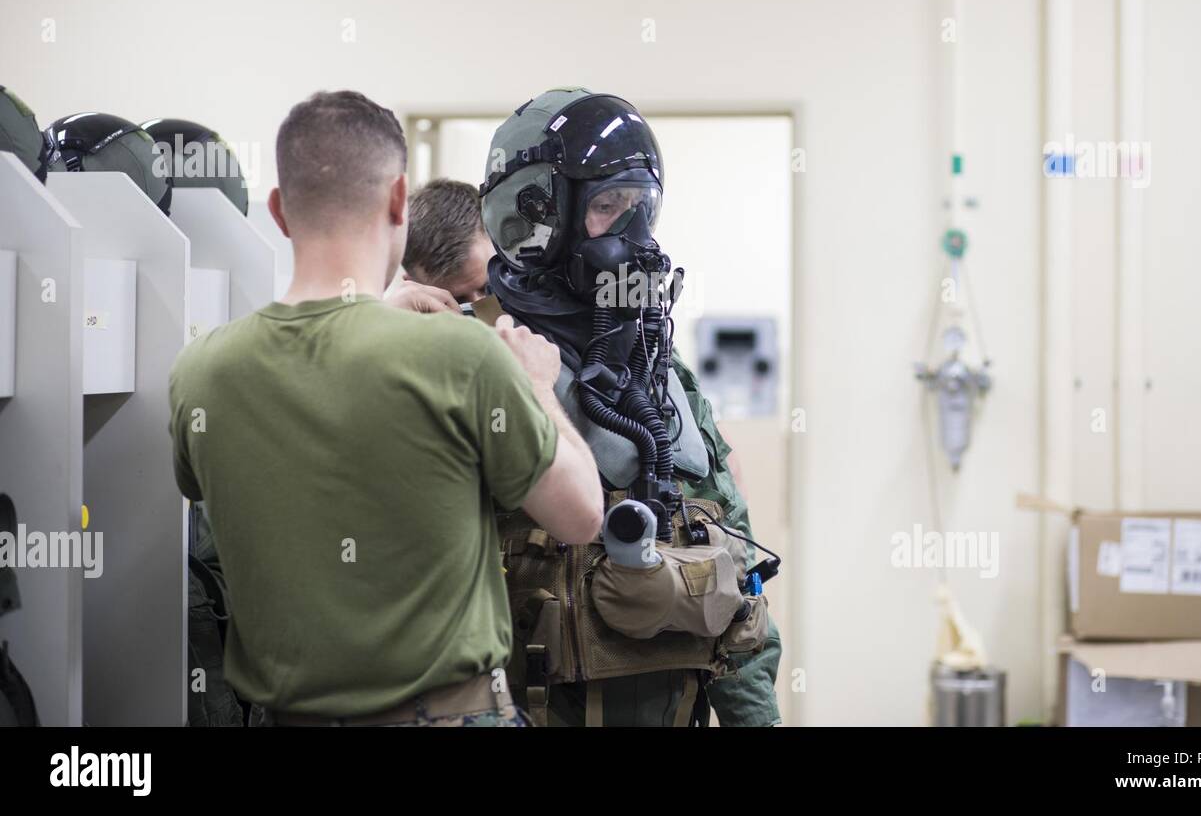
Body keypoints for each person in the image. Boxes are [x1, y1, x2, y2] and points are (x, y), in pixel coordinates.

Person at [168, 90, 603, 727]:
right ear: (400, 200)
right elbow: (580, 515)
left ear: (280, 212)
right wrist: (536, 384)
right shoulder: (461, 354)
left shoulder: (200, 371)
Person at [408, 87, 783, 727]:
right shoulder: (473, 358)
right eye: (608, 206)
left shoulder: (667, 378)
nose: (633, 235)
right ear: (536, 215)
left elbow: (741, 588)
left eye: (642, 209)